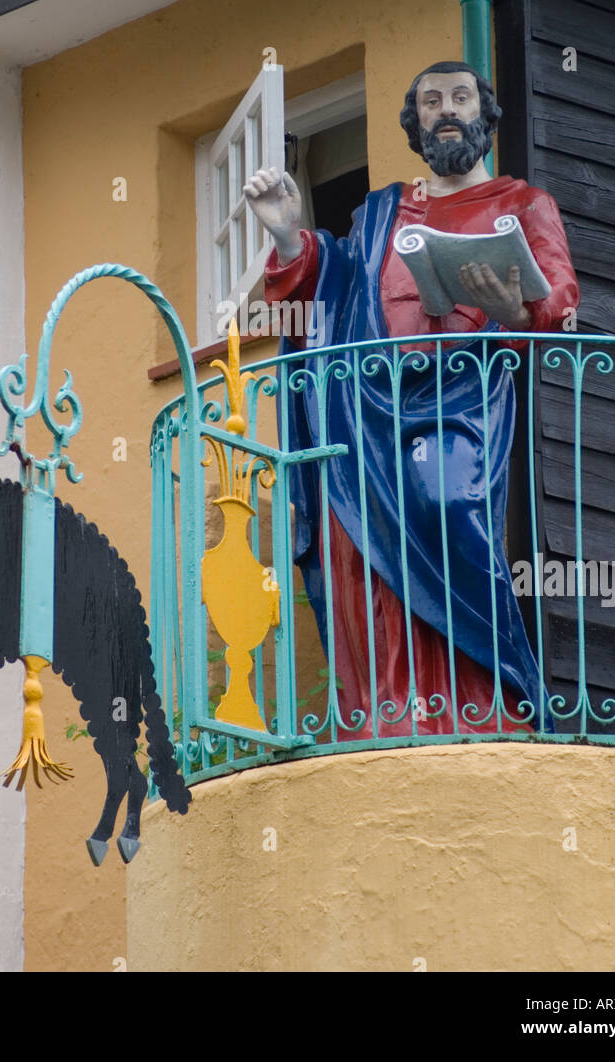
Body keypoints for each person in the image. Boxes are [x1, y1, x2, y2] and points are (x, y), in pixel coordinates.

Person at [243, 61, 580, 738]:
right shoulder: (388, 208)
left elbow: (560, 307)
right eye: (431, 101)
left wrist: (515, 307)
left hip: (460, 398)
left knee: (451, 506)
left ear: (485, 117)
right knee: (357, 550)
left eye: (461, 98)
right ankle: (384, 712)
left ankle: (482, 701)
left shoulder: (522, 202)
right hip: (365, 406)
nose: (447, 110)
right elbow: (334, 280)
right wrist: (288, 237)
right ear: (416, 123)